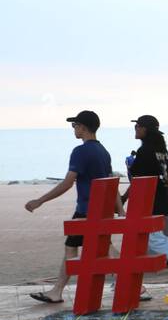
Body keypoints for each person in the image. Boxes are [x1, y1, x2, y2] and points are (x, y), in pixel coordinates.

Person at [25, 111, 114, 304]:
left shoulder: (80, 151)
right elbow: (111, 183)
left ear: (82, 127)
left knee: (72, 247)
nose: (73, 129)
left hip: (85, 210)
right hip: (102, 210)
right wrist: (119, 211)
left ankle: (57, 291)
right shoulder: (104, 152)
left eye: (75, 125)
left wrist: (40, 200)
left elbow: (67, 183)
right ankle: (57, 290)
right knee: (103, 248)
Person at [124, 115, 168, 288]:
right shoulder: (161, 150)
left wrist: (123, 198)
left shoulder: (145, 151)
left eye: (137, 125)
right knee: (138, 241)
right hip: (159, 198)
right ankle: (127, 280)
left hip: (147, 201)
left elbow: (137, 181)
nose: (135, 128)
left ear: (145, 129)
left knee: (154, 239)